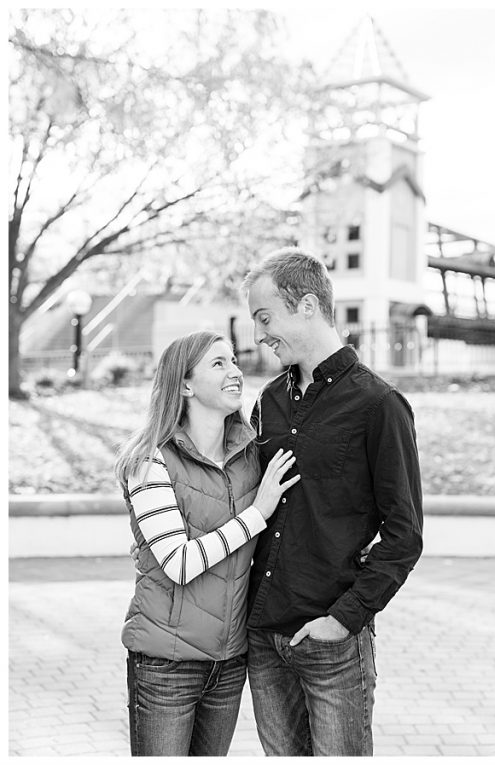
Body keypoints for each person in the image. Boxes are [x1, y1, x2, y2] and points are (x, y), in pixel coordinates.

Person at [241, 247, 424, 756]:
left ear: (306, 305)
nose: (258, 335)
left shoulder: (379, 405)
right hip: (263, 637)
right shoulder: (269, 402)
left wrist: (345, 618)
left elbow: (404, 534)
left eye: (264, 317)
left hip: (331, 640)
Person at [117, 330, 299, 756]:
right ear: (184, 384)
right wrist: (257, 513)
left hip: (229, 663)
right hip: (166, 666)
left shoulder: (251, 457)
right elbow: (178, 563)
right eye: (218, 363)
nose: (235, 371)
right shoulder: (148, 461)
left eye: (234, 361)